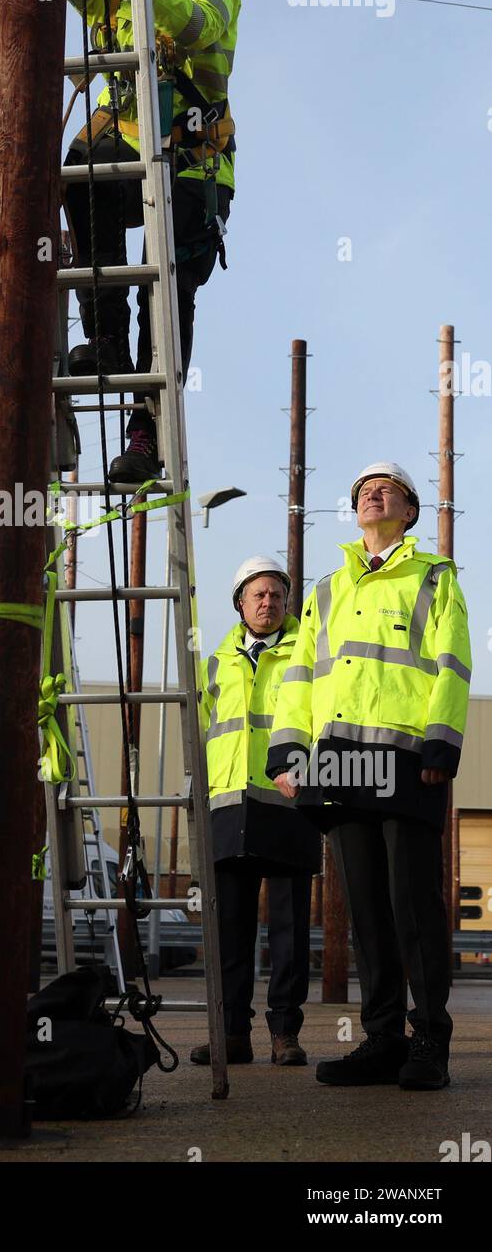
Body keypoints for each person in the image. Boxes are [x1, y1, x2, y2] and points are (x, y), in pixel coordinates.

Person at [266, 463, 471, 1090]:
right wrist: (285, 752)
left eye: (386, 489)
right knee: (364, 910)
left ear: (409, 511)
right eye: (361, 490)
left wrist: (441, 742)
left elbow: (453, 660)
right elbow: (300, 673)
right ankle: (382, 1039)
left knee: (413, 905)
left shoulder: (434, 576)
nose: (371, 494)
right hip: (337, 761)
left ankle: (429, 1039)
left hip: (407, 759)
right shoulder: (328, 588)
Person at [65, 0, 240, 483]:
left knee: (163, 292)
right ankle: (105, 338)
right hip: (135, 148)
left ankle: (147, 433)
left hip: (195, 165)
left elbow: (199, 26)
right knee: (80, 175)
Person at [190, 558, 321, 1069]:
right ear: (240, 604)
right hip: (228, 806)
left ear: (288, 603)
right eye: (258, 595)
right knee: (231, 930)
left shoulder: (306, 651)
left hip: (290, 803)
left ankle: (284, 1034)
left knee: (289, 932)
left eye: (276, 595)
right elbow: (201, 734)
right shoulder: (217, 662)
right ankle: (232, 1036)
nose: (268, 602)